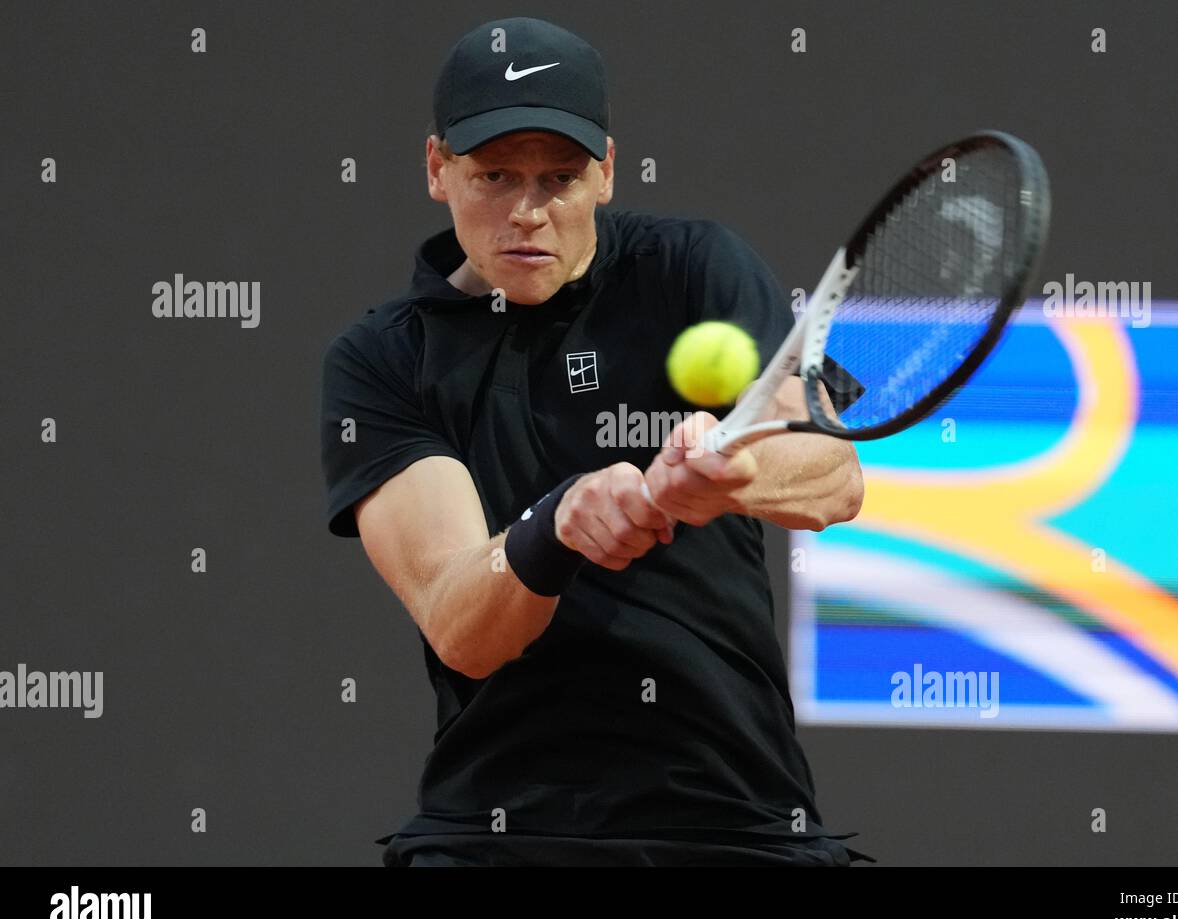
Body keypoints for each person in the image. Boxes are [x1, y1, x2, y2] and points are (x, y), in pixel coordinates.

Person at [319, 16, 872, 866]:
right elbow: (462, 624)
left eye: (561, 178)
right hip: (498, 833)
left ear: (607, 172)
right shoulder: (386, 359)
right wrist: (558, 527)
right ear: (437, 169)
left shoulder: (694, 268)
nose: (528, 212)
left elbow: (834, 478)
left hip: (735, 818)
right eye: (494, 175)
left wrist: (731, 472)